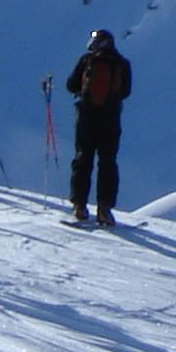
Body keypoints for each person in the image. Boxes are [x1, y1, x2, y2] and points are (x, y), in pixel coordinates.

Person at [65, 28, 133, 227]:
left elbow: (71, 85)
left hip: (86, 116)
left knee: (82, 159)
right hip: (111, 119)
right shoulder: (122, 63)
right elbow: (126, 91)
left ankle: (79, 206)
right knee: (108, 163)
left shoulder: (87, 60)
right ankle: (104, 209)